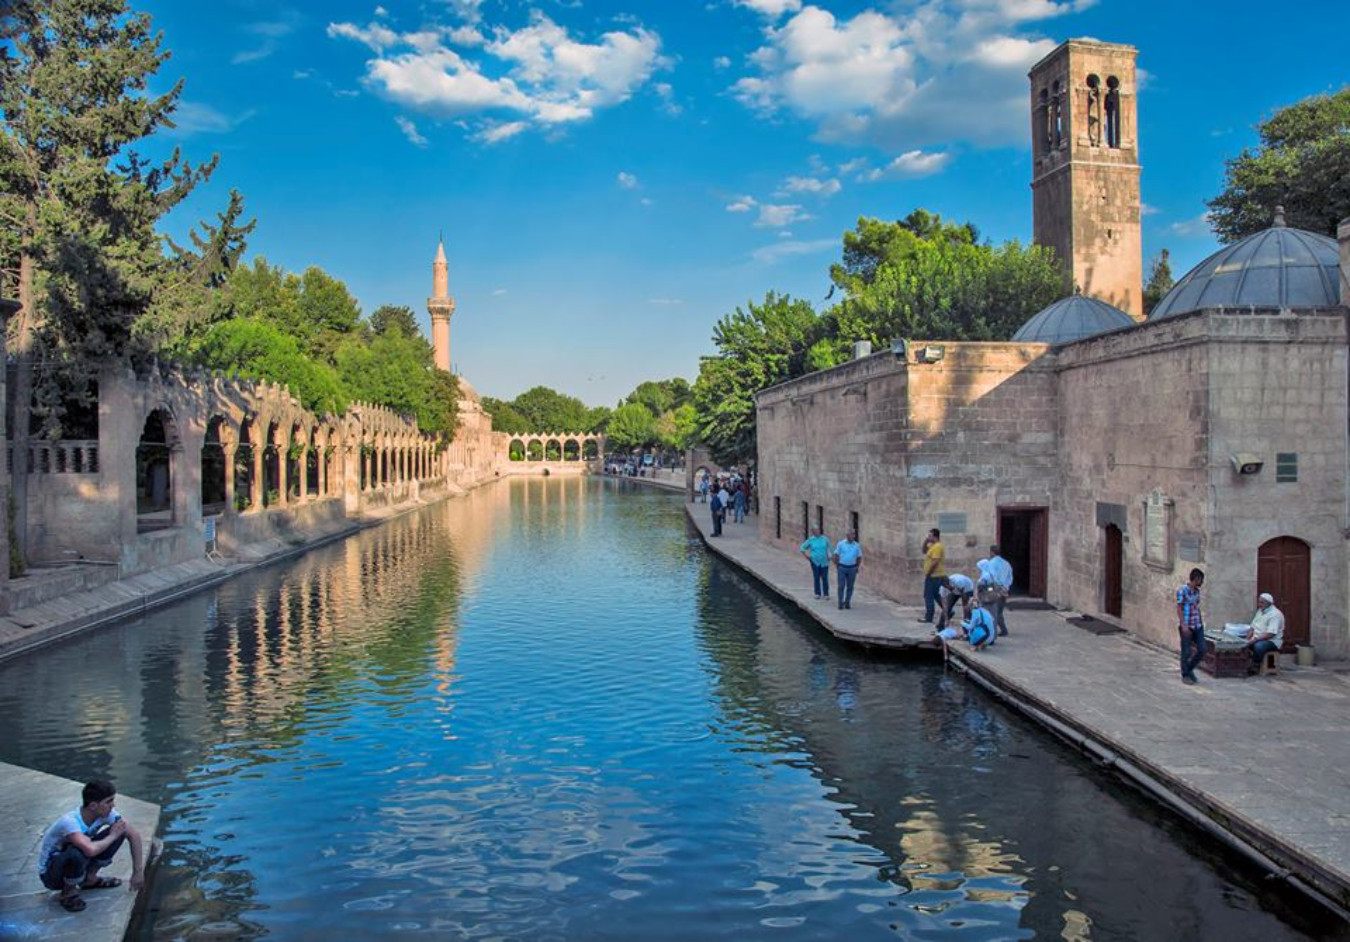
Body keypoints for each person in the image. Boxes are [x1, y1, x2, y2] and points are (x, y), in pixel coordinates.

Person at [38, 779, 145, 913]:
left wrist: (138, 872)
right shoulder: (70, 822)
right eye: (108, 801)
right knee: (76, 852)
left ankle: (90, 879)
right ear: (93, 806)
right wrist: (112, 835)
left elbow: (133, 834)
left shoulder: (106, 814)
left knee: (120, 831)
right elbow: (90, 850)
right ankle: (68, 892)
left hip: (77, 860)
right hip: (52, 874)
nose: (113, 805)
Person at [1176, 568, 1206, 685]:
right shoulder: (1182, 591)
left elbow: (1196, 607)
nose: (1202, 582)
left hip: (1197, 624)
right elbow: (1179, 608)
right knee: (1186, 651)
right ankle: (1185, 674)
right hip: (1187, 624)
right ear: (1196, 579)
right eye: (1201, 580)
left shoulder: (1197, 592)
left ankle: (1189, 668)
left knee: (1202, 649)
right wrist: (1183, 625)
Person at [1246, 592, 1285, 672]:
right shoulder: (1260, 611)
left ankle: (1255, 666)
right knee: (1240, 642)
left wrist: (1255, 639)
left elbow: (1270, 634)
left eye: (1262, 602)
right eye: (1259, 602)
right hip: (1257, 637)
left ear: (1269, 604)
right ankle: (1245, 663)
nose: (1259, 604)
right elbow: (1252, 627)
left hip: (1271, 641)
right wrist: (1247, 639)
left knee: (1259, 646)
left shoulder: (1275, 614)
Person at [981, 545, 1014, 637]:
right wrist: (1006, 587)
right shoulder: (1007, 564)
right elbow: (1010, 578)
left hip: (994, 589)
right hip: (1004, 590)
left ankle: (993, 633)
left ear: (992, 552)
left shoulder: (991, 563)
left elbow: (990, 577)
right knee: (999, 611)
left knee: (993, 611)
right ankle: (1003, 630)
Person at [919, 529, 946, 623]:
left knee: (928, 596)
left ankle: (929, 617)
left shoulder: (938, 547)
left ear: (935, 536)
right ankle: (948, 610)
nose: (928, 537)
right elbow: (923, 550)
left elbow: (935, 561)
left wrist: (929, 572)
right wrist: (926, 540)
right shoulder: (932, 546)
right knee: (936, 595)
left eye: (930, 536)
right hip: (934, 575)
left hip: (934, 575)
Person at [833, 530, 862, 610]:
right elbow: (836, 554)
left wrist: (857, 567)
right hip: (842, 567)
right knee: (841, 586)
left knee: (850, 586)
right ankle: (840, 603)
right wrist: (837, 565)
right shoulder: (841, 544)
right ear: (847, 536)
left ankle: (847, 602)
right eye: (850, 535)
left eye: (853, 535)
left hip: (852, 567)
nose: (852, 536)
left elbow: (859, 557)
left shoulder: (857, 545)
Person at [800, 526, 831, 600]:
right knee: (816, 577)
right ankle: (817, 593)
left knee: (825, 577)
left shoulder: (825, 539)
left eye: (818, 530)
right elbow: (802, 548)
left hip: (824, 561)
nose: (817, 532)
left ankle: (826, 594)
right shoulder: (811, 540)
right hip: (815, 561)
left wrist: (830, 556)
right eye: (815, 531)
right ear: (813, 532)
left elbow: (829, 548)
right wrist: (807, 556)